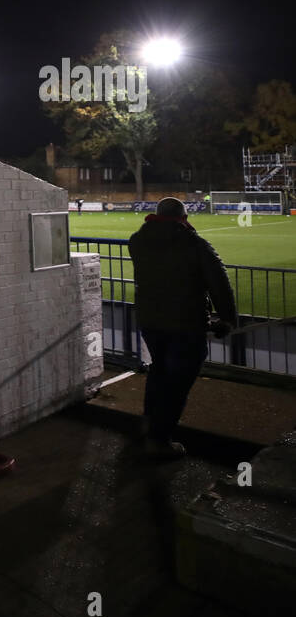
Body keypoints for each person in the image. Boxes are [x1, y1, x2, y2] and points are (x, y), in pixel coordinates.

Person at [127, 196, 238, 460]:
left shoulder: (137, 240)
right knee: (177, 383)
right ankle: (159, 440)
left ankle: (148, 424)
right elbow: (219, 284)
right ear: (184, 218)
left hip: (150, 321)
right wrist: (227, 319)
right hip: (185, 324)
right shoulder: (195, 244)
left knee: (159, 371)